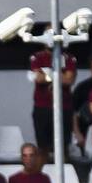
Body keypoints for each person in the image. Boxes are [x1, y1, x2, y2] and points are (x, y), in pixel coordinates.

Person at [30, 30, 77, 164]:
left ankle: (65, 179)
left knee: (63, 147)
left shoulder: (68, 58)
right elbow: (38, 78)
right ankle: (43, 178)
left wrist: (47, 74)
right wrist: (59, 76)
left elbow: (69, 80)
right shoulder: (37, 57)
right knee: (43, 148)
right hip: (42, 107)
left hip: (64, 107)